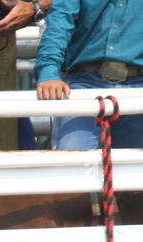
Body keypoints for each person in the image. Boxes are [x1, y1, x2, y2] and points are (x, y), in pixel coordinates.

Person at [36, 0, 143, 151]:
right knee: (72, 157)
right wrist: (49, 72)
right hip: (84, 82)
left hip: (138, 85)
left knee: (136, 168)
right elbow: (60, 21)